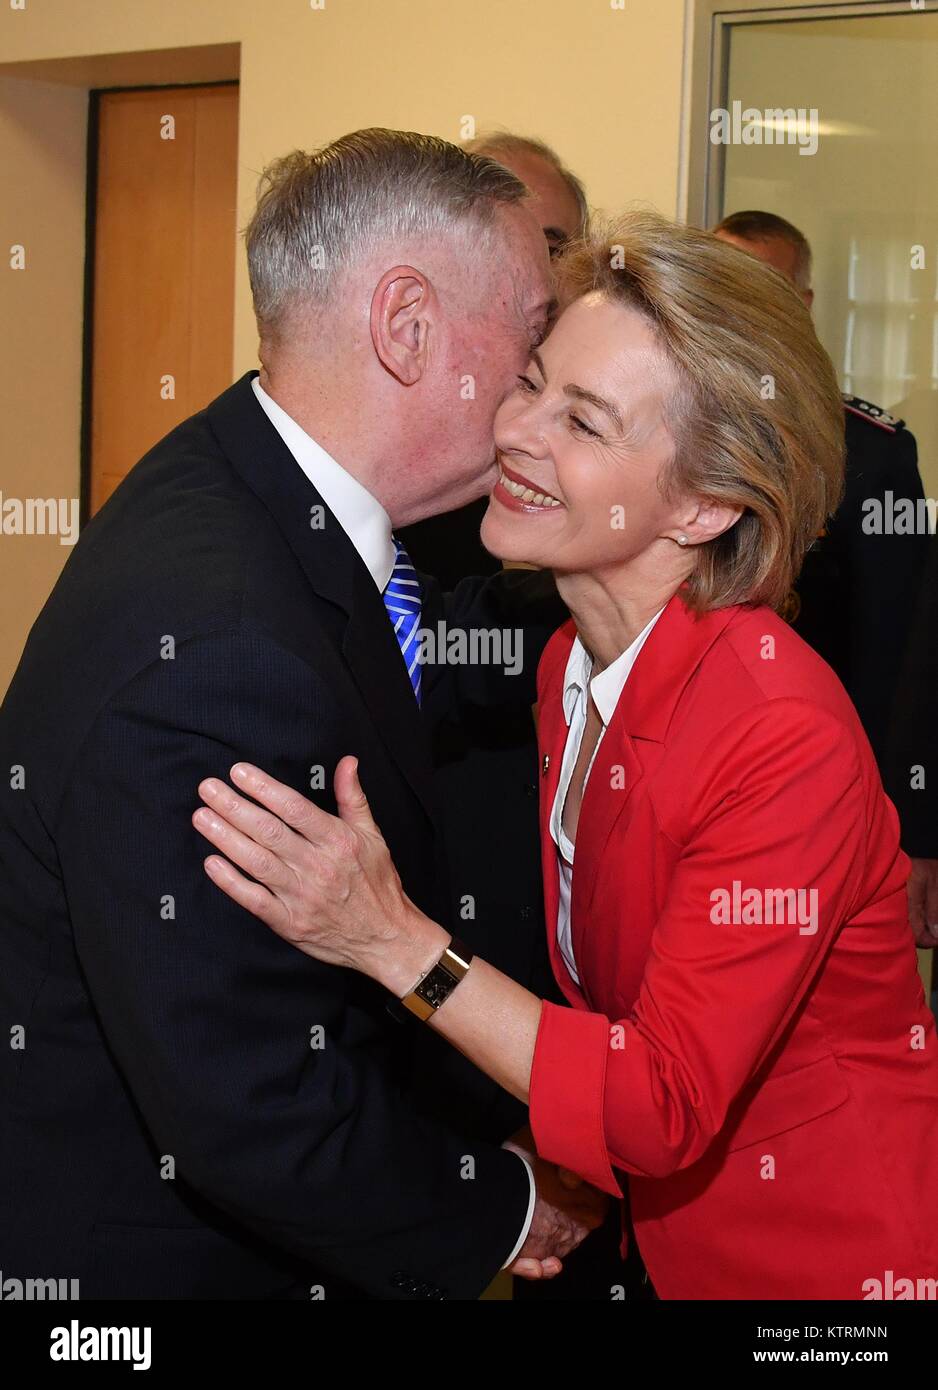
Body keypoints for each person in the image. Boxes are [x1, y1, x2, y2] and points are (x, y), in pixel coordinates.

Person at [195, 212, 938, 1299]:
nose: (516, 430)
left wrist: (393, 941)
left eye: (583, 422)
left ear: (701, 503)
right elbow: (610, 1016)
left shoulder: (778, 732)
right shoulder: (566, 664)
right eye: (531, 381)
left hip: (820, 1266)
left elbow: (660, 1100)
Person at [0, 129, 608, 1302]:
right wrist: (506, 1202)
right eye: (532, 337)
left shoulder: (255, 490)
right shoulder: (219, 642)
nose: (542, 384)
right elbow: (248, 1095)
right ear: (406, 325)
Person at [713, 211, 929, 769]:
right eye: (725, 284)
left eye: (764, 288)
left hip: (818, 757)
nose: (743, 307)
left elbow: (895, 650)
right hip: (691, 748)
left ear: (800, 305)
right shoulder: (666, 428)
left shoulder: (870, 454)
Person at [400, 132, 588, 586]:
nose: (531, 272)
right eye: (497, 246)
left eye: (553, 249)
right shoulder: (385, 456)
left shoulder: (602, 441)